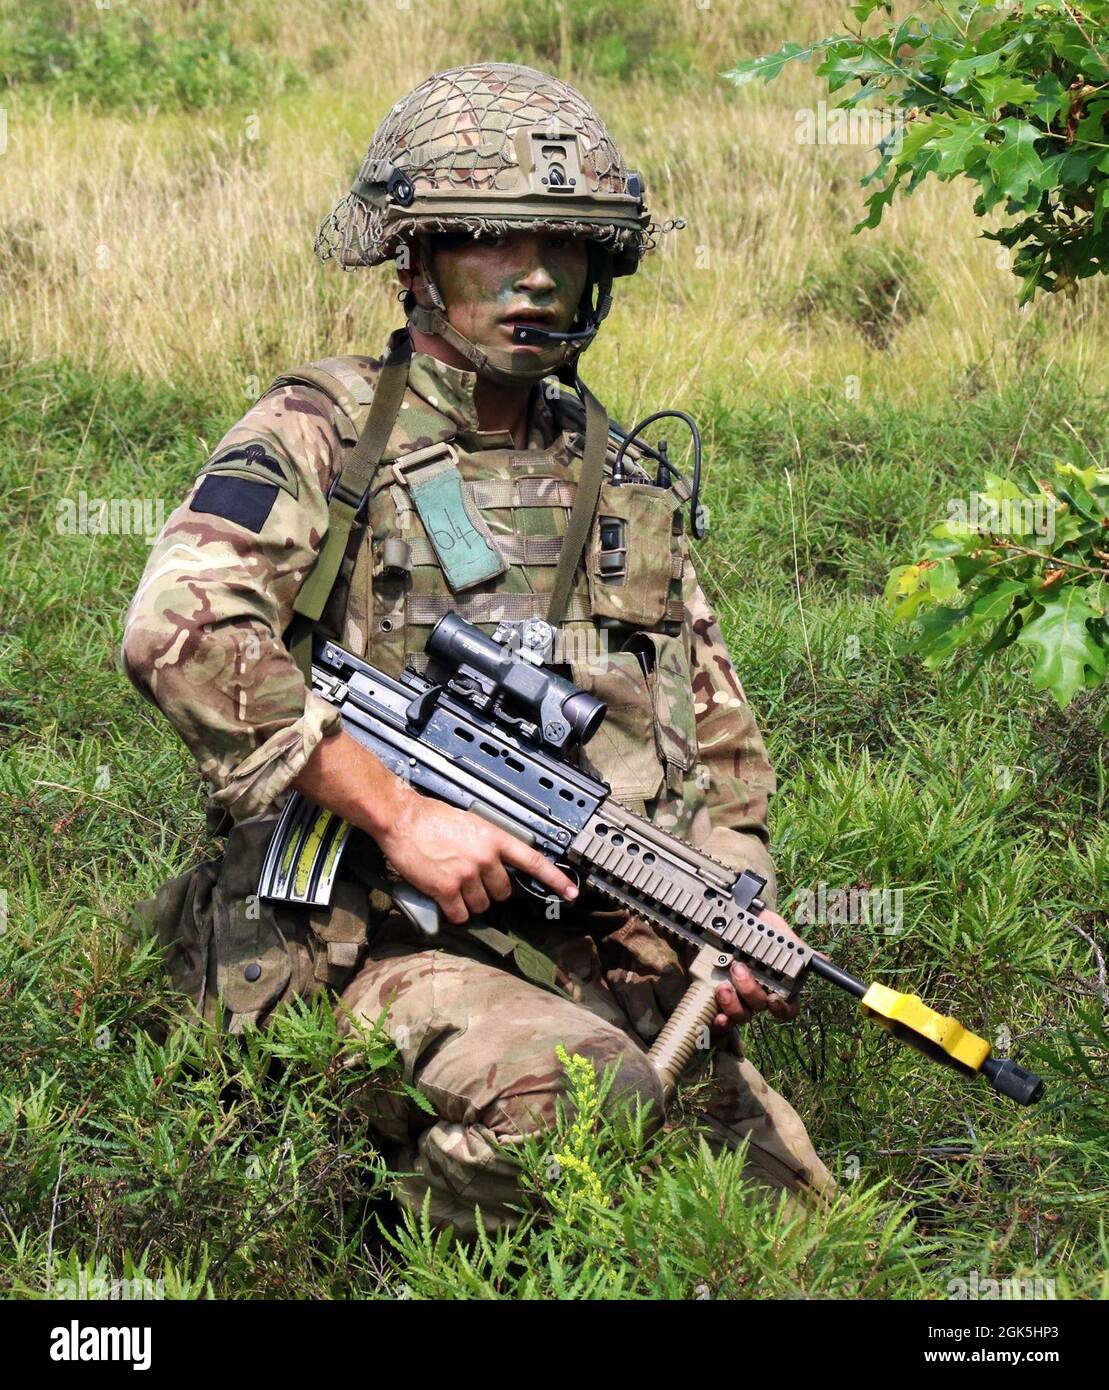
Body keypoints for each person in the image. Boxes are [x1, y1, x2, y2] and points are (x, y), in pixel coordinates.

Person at [122, 62, 833, 1234]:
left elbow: (720, 754)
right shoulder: (326, 430)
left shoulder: (621, 478)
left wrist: (735, 911)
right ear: (412, 258)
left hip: (589, 940)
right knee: (575, 1095)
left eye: (565, 246)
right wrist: (402, 815)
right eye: (492, 245)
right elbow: (180, 630)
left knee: (782, 1222)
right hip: (358, 938)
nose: (539, 277)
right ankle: (376, 1241)